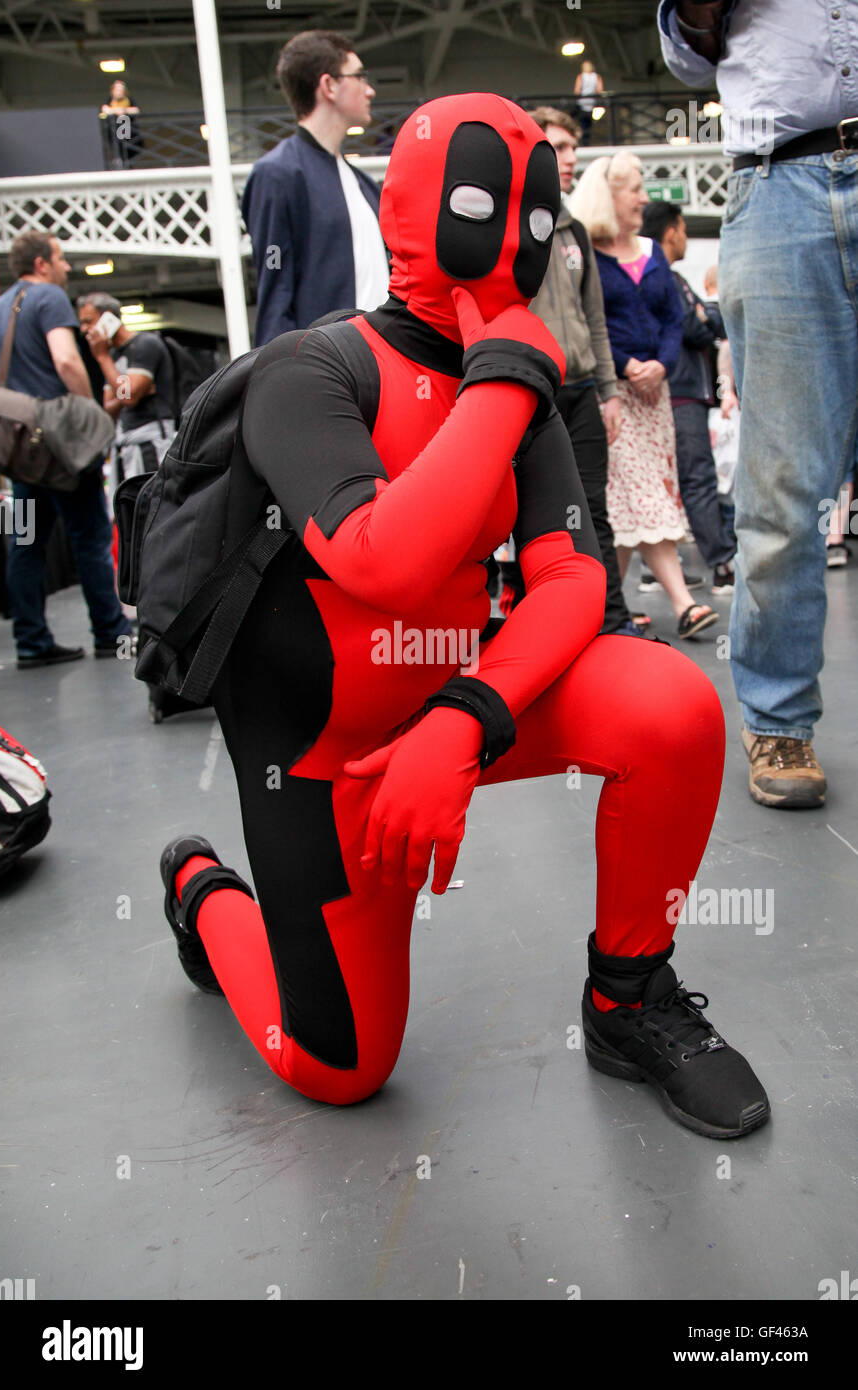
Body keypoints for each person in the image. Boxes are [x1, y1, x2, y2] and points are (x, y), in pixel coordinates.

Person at [158, 94, 769, 1141]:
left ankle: (626, 998)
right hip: (323, 757)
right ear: (414, 209)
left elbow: (573, 579)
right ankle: (202, 889)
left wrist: (460, 717)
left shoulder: (513, 381)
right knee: (339, 1067)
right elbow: (382, 560)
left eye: (536, 217)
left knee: (668, 707)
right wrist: (505, 375)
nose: (516, 241)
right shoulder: (311, 372)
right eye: (489, 205)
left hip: (451, 710)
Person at [658, 0, 854, 809]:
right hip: (781, 181)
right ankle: (775, 715)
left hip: (786, 186)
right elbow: (687, 58)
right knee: (784, 485)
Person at [570, 153, 719, 639]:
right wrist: (622, 366)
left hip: (658, 400)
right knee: (644, 496)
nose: (644, 199)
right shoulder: (585, 252)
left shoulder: (653, 252)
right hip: (612, 397)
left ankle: (602, 606)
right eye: (634, 188)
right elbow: (586, 321)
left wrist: (662, 363)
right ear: (607, 195)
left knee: (632, 504)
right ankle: (683, 602)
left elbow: (674, 320)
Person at [528, 106, 647, 637]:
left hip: (581, 394)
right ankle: (548, 625)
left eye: (574, 148)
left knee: (593, 512)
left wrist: (609, 391)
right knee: (535, 518)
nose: (571, 158)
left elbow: (593, 317)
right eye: (558, 147)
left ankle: (613, 623)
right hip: (530, 396)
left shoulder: (574, 229)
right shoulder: (509, 227)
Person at [0, 233, 132, 668]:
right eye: (61, 258)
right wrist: (88, 414)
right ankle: (110, 631)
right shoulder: (49, 297)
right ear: (41, 263)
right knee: (88, 537)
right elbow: (67, 360)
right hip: (61, 447)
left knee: (26, 542)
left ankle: (31, 641)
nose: (67, 267)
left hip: (21, 453)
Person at [242, 30, 389, 347]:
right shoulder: (277, 174)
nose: (370, 90)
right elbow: (275, 293)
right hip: (326, 374)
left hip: (381, 368)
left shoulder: (364, 185)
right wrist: (279, 381)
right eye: (360, 77)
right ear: (329, 86)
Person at [642, 200, 736, 594]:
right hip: (680, 392)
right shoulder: (665, 278)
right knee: (696, 477)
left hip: (674, 391)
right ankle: (722, 564)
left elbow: (707, 321)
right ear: (671, 231)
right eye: (681, 228)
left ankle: (659, 569)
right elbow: (696, 327)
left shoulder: (664, 277)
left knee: (670, 480)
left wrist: (702, 317)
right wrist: (700, 317)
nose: (683, 236)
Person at [76, 293, 176, 484]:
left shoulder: (144, 345)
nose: (84, 329)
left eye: (89, 321)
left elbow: (128, 397)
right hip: (124, 441)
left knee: (152, 503)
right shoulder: (114, 354)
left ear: (108, 317)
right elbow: (109, 405)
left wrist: (103, 359)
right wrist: (126, 390)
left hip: (150, 441)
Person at [99, 79, 141, 169]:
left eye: (121, 90)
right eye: (117, 90)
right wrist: (117, 110)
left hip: (128, 130)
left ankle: (126, 161)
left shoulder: (129, 100)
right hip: (113, 130)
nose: (119, 92)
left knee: (129, 148)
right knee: (117, 147)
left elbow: (136, 110)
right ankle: (120, 160)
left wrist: (124, 110)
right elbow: (105, 110)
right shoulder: (110, 100)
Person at [574, 59, 603, 144]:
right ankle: (587, 140)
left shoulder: (581, 77)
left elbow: (577, 91)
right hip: (591, 102)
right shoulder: (597, 77)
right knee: (589, 123)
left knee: (582, 123)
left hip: (582, 102)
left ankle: (584, 141)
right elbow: (599, 90)